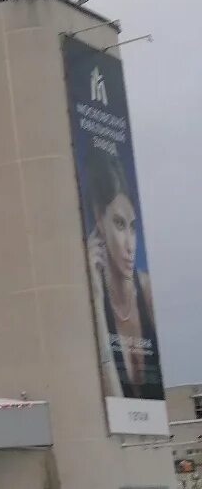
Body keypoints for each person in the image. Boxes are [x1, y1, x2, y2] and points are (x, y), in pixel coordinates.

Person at [85, 153, 163, 402]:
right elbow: (115, 403)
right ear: (99, 219)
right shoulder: (97, 302)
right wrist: (97, 303)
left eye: (132, 227)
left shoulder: (146, 290)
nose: (130, 246)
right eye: (119, 224)